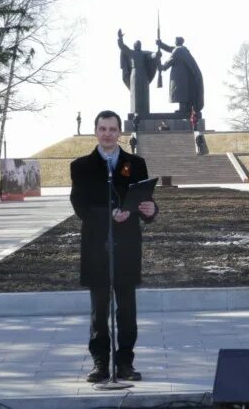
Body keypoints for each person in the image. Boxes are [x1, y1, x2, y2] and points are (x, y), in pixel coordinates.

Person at [70, 110, 158, 383]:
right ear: (95, 131)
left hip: (127, 245)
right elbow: (80, 206)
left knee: (127, 308)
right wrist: (109, 214)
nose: (107, 134)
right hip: (97, 245)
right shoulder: (81, 166)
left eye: (112, 129)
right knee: (99, 309)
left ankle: (125, 363)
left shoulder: (136, 164)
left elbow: (144, 201)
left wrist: (150, 210)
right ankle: (100, 363)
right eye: (102, 128)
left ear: (120, 132)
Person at [156, 36, 205, 117]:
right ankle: (185, 108)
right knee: (183, 92)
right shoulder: (183, 50)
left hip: (180, 77)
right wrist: (161, 44)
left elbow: (169, 62)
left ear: (177, 42)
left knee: (181, 93)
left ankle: (183, 109)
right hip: (184, 77)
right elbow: (170, 49)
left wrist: (161, 66)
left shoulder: (178, 50)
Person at [118, 29, 159, 116]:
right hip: (134, 73)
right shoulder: (131, 52)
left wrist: (156, 54)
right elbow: (122, 46)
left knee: (144, 92)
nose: (139, 45)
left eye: (140, 44)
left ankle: (145, 110)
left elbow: (151, 55)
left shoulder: (144, 53)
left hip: (143, 73)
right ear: (134, 46)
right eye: (137, 44)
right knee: (135, 92)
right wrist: (120, 38)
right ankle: (135, 110)